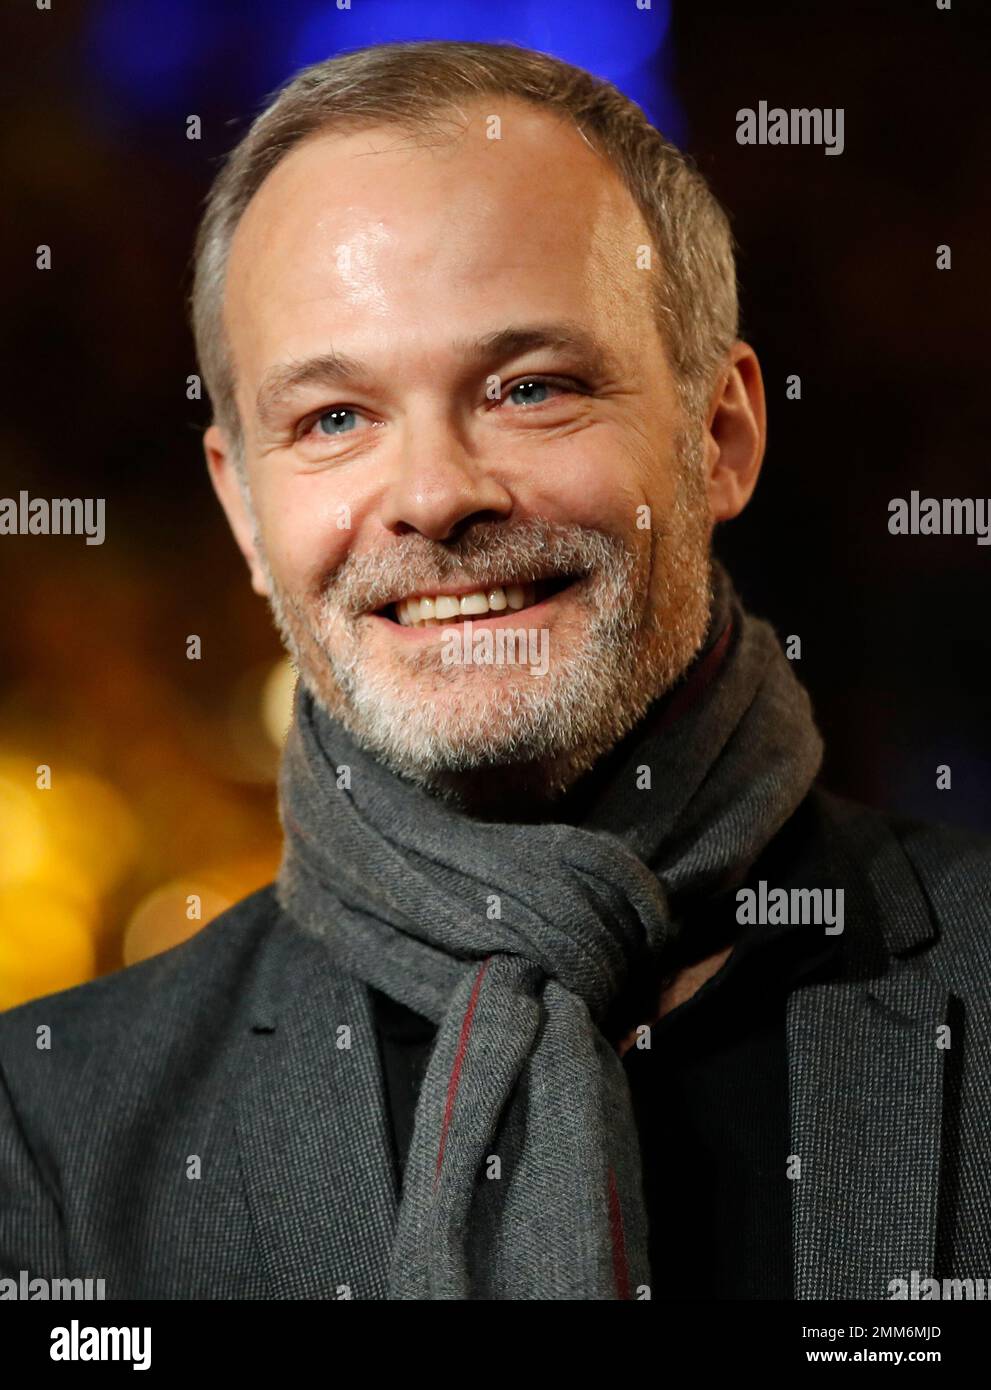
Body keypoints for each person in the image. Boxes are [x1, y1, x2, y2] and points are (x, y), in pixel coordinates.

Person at [2, 40, 989, 1303]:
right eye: (334, 419)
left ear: (720, 436)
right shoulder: (40, 1128)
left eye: (529, 387)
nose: (432, 496)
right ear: (245, 511)